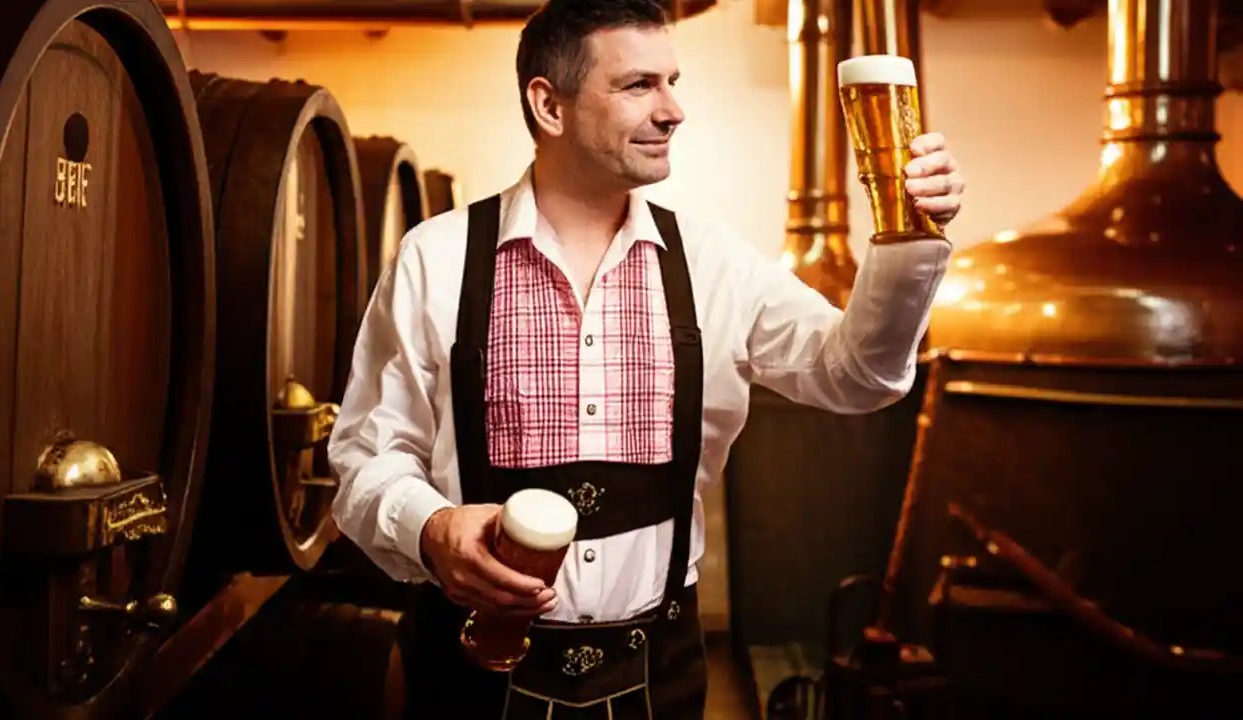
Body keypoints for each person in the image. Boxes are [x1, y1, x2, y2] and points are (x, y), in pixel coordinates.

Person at [328, 0, 964, 717]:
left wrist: (911, 242)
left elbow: (858, 376)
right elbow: (365, 460)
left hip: (658, 679)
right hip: (469, 672)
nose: (673, 111)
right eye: (638, 85)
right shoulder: (436, 258)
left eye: (672, 82)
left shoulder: (711, 261)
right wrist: (430, 528)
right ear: (549, 105)